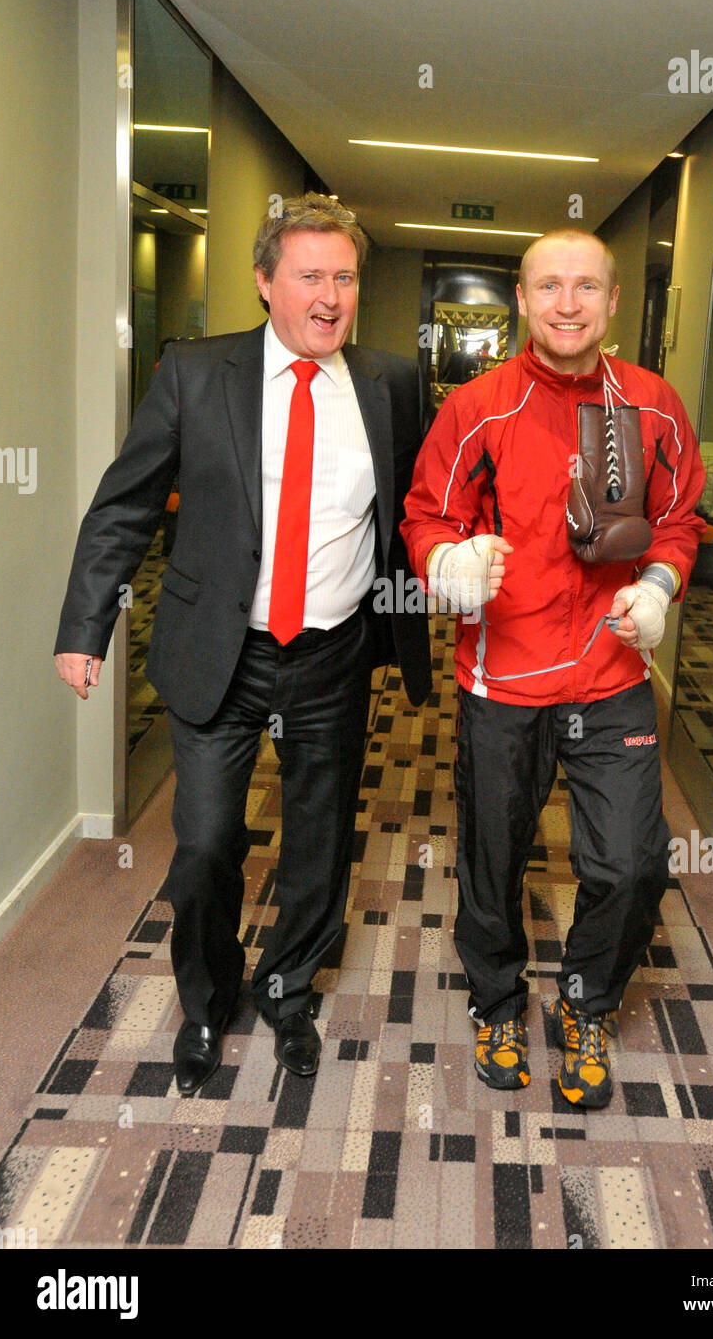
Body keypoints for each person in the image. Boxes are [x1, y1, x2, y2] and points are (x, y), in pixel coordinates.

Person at [54, 193, 432, 1096]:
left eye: (343, 277)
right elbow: (127, 505)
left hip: (333, 649)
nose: (330, 296)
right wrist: (85, 625)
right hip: (219, 643)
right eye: (310, 277)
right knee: (207, 838)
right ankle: (207, 999)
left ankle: (289, 988)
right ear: (266, 284)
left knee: (318, 834)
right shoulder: (195, 373)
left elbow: (418, 513)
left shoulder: (392, 383)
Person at [401, 228, 705, 1105]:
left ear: (613, 303)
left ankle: (585, 1001)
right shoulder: (477, 405)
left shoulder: (652, 404)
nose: (566, 303)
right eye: (547, 286)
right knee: (494, 857)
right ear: (523, 302)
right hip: (505, 677)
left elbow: (679, 517)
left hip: (612, 672)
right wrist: (449, 566)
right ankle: (497, 1000)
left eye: (584, 287)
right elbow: (427, 514)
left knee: (629, 865)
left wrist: (657, 584)